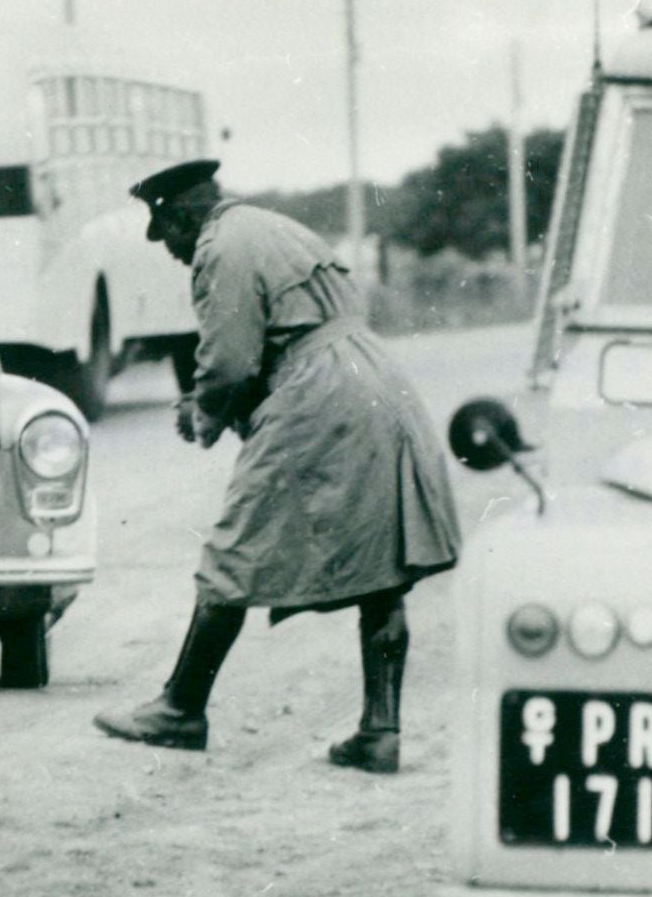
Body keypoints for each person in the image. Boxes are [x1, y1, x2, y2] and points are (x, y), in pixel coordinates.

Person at [93, 159, 461, 773]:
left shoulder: (221, 246)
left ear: (184, 216)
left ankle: (181, 709)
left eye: (171, 239)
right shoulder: (277, 227)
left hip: (318, 391)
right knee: (383, 559)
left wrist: (203, 412)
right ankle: (380, 731)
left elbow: (231, 361)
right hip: (377, 381)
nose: (174, 254)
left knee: (235, 549)